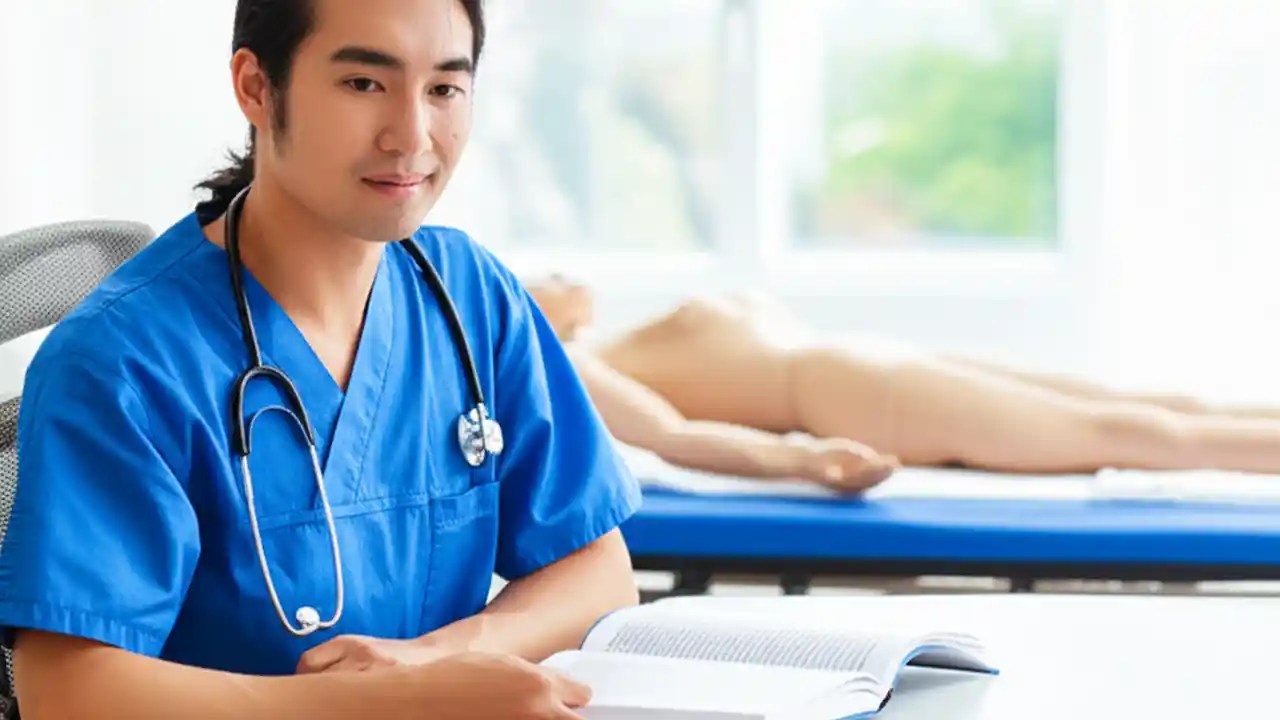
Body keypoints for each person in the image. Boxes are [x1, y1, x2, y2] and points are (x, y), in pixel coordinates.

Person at [0, 1, 643, 718]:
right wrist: (391, 700)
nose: (412, 137)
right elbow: (68, 690)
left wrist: (437, 659)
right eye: (364, 84)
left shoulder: (471, 298)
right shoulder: (123, 360)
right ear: (255, 86)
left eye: (443, 89)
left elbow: (596, 568)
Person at [526, 276, 1280, 492]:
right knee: (1140, 437)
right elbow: (668, 434)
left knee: (1160, 406)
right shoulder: (543, 345)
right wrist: (806, 462)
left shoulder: (591, 334)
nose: (563, 279)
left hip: (863, 366)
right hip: (850, 396)